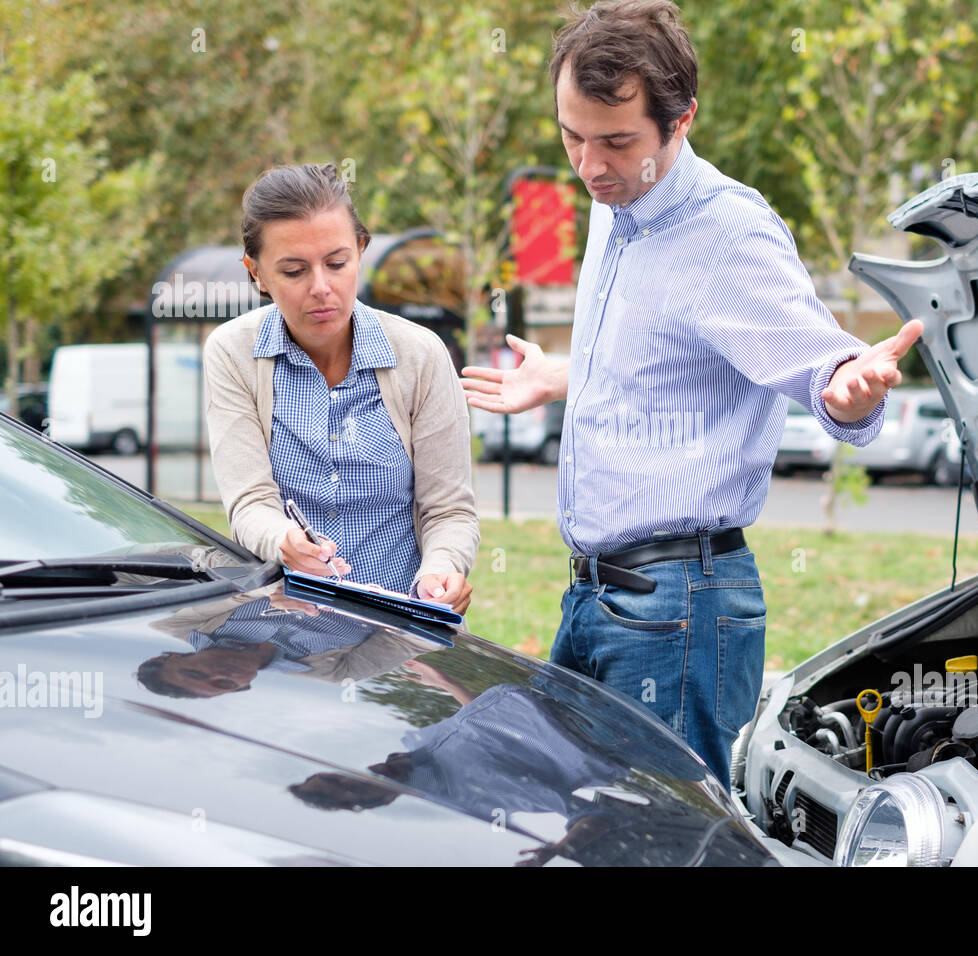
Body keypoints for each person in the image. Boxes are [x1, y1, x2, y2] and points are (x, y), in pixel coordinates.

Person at [460, 0, 923, 784]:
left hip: (679, 610)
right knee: (585, 823)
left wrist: (851, 389)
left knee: (671, 839)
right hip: (600, 598)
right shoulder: (616, 208)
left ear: (680, 122)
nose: (590, 165)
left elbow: (825, 371)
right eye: (571, 136)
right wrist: (567, 377)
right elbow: (672, 360)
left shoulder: (730, 234)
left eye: (617, 142)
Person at [204, 163, 477, 612]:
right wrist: (283, 540)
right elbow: (249, 502)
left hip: (401, 629)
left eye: (337, 263)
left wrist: (441, 569)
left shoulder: (420, 354)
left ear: (361, 250)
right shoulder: (233, 353)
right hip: (283, 629)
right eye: (293, 271)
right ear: (255, 272)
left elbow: (448, 510)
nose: (321, 288)